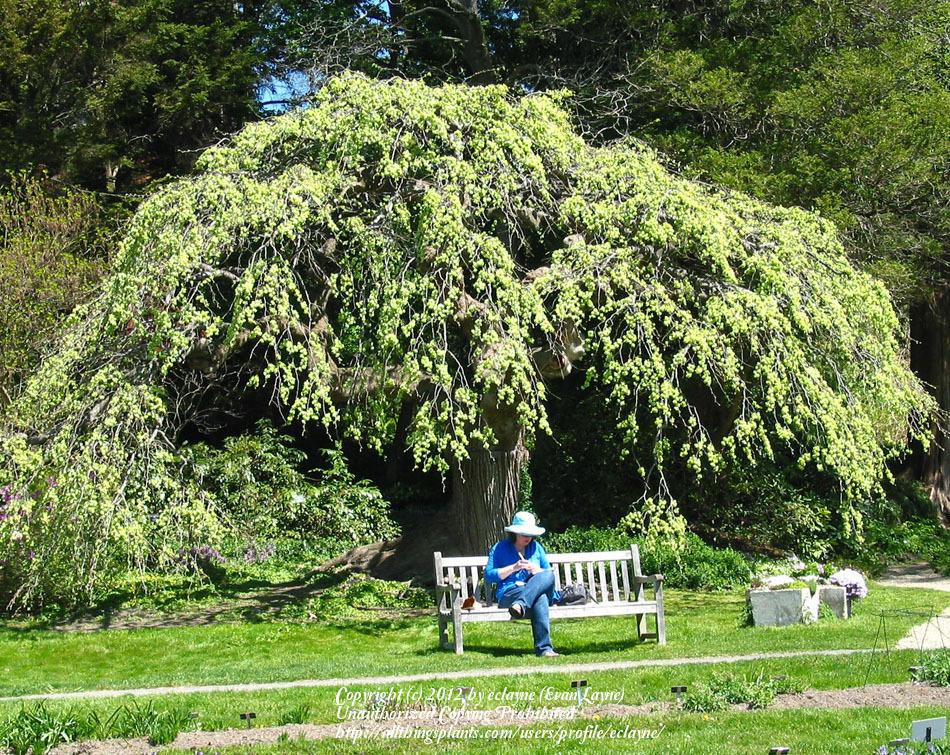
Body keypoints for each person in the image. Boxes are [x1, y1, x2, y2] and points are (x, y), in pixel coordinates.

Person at [485, 511, 561, 657]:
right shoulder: (500, 548)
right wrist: (514, 567)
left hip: (525, 596)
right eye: (523, 534)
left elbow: (548, 573)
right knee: (541, 598)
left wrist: (534, 569)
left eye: (530, 534)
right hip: (510, 592)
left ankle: (521, 604)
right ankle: (544, 649)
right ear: (515, 533)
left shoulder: (536, 547)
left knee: (547, 577)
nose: (527, 538)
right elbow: (489, 575)